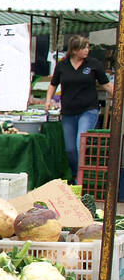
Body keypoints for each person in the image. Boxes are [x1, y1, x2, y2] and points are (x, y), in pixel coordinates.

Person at [45, 34, 112, 180]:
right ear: (74, 50)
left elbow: (106, 84)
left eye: (87, 47)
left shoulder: (93, 64)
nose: (87, 50)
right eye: (83, 48)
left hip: (88, 110)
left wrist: (118, 95)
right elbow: (53, 84)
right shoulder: (62, 65)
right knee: (69, 149)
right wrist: (48, 100)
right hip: (68, 111)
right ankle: (76, 172)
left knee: (79, 144)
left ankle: (79, 180)